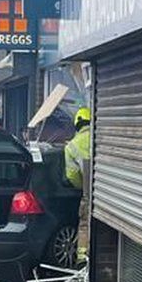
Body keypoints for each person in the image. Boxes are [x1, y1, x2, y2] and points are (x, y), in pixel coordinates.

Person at [65, 107, 92, 263]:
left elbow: (72, 175)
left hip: (88, 193)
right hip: (107, 194)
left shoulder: (71, 147)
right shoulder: (100, 136)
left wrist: (82, 187)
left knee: (84, 226)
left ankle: (82, 261)